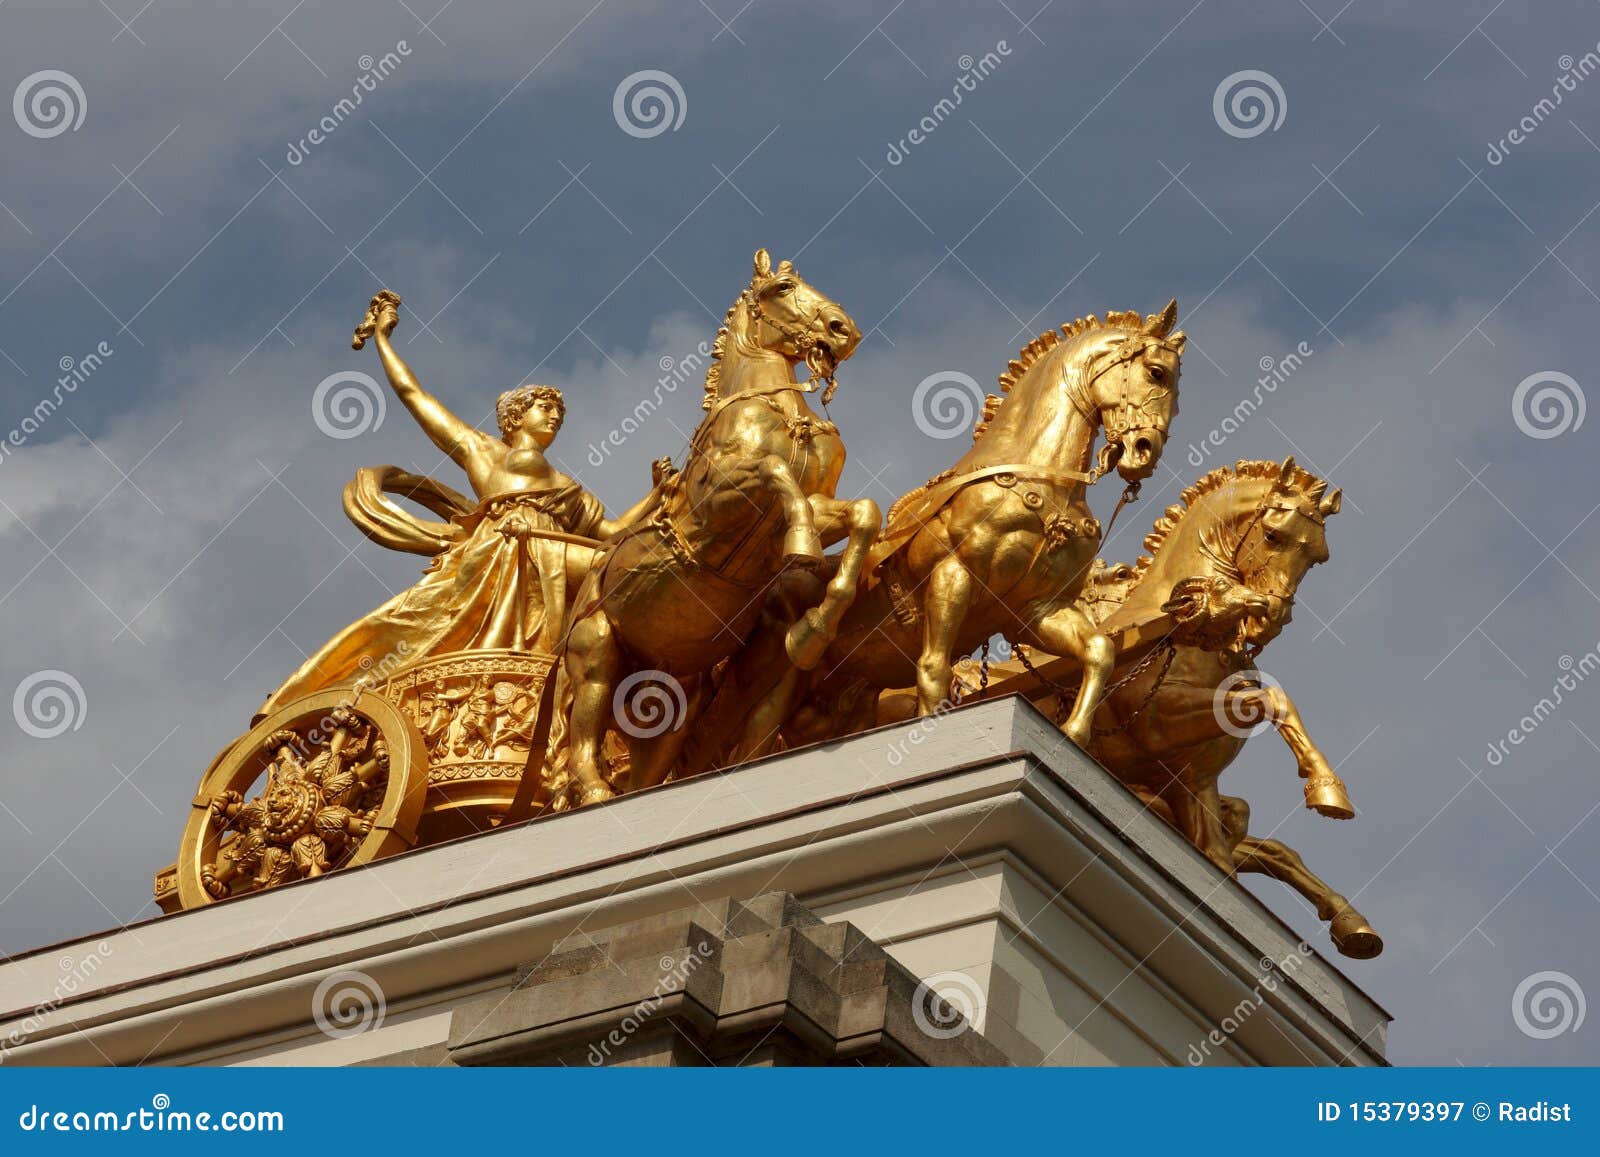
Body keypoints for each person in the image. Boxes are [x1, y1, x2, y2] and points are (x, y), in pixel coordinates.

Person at [257, 292, 651, 717]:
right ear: (516, 416)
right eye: (545, 407)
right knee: (599, 571)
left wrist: (659, 495)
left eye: (559, 411)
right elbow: (414, 395)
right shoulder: (482, 450)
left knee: (616, 572)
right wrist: (383, 341)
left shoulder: (568, 487)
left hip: (549, 558)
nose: (555, 415)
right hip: (502, 553)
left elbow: (611, 535)